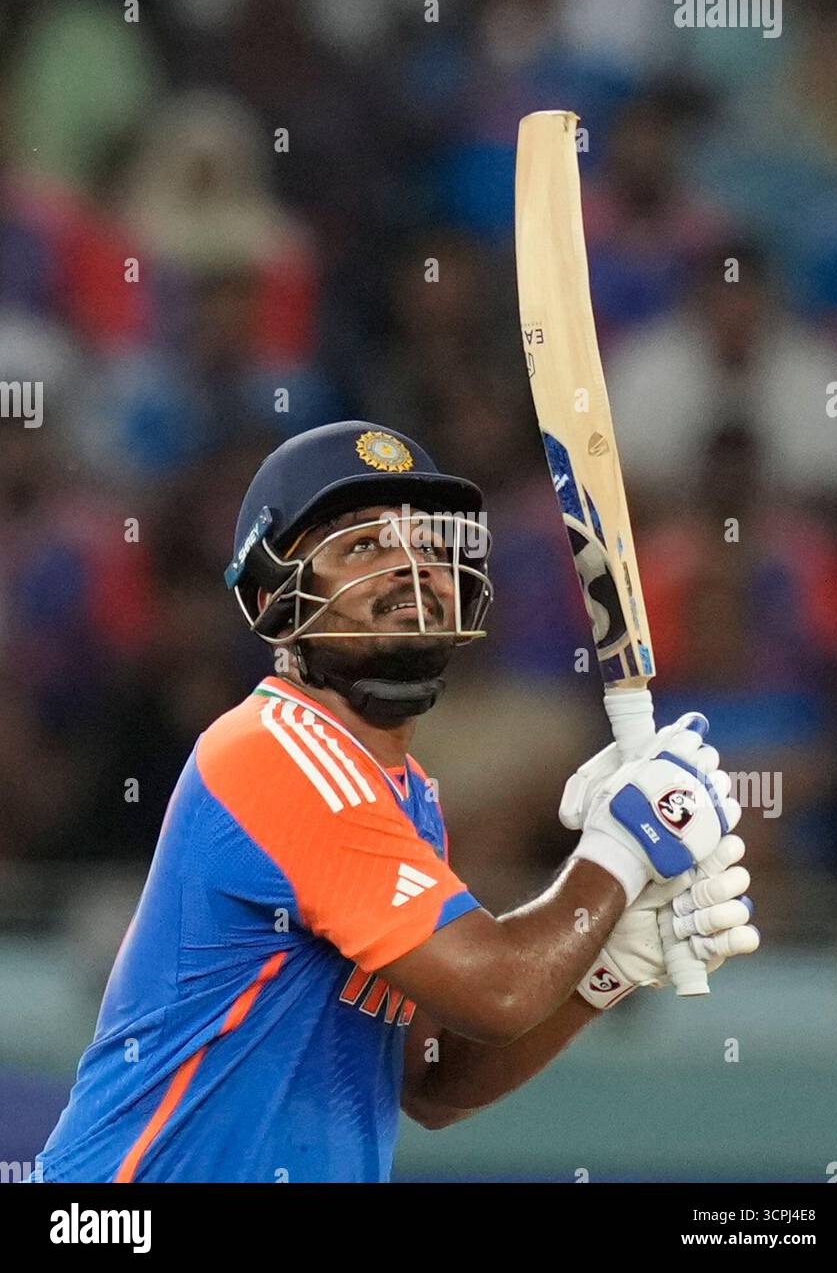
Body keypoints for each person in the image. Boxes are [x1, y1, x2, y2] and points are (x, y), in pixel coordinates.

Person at [33, 421, 758, 1183]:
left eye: (431, 545)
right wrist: (621, 850)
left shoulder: (405, 796)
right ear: (271, 594)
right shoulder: (274, 751)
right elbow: (500, 988)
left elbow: (435, 1082)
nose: (412, 568)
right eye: (363, 546)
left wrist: (607, 964)